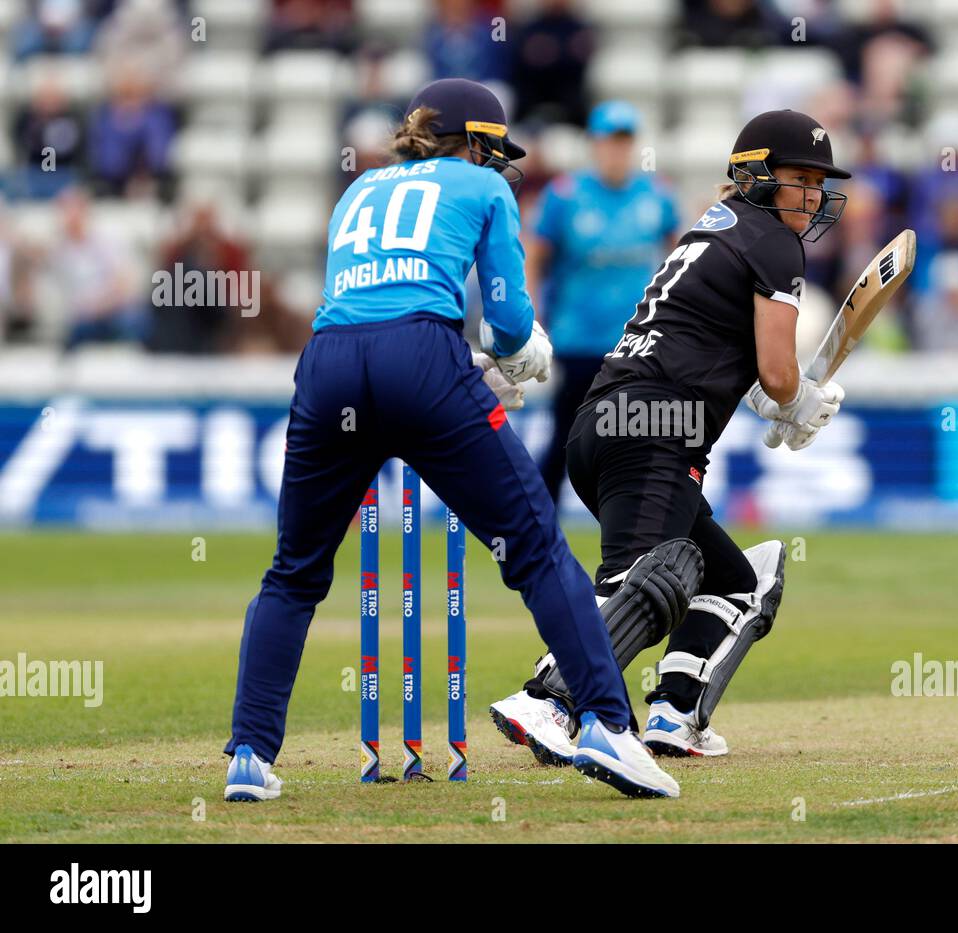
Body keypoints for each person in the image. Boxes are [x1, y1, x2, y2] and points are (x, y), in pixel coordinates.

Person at [223, 78, 682, 802]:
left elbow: (368, 300)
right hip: (422, 363)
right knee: (535, 545)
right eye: (492, 150)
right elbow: (503, 316)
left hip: (330, 362)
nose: (498, 165)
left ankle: (248, 755)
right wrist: (516, 348)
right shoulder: (481, 186)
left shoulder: (359, 190)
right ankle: (603, 723)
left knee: (294, 570)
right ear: (471, 141)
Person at [490, 110, 848, 761]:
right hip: (658, 432)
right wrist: (799, 400)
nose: (814, 195)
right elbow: (775, 367)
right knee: (638, 578)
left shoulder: (715, 229)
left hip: (602, 425)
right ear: (757, 176)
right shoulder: (772, 239)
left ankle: (674, 711)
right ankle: (548, 697)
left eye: (820, 181)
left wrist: (782, 403)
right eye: (800, 177)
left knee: (740, 579)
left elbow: (718, 352)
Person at [530, 101, 679, 502]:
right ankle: (543, 525)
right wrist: (532, 315)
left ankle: (637, 529)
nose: (617, 151)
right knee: (569, 435)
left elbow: (681, 257)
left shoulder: (655, 194)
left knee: (636, 437)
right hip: (579, 337)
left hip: (635, 341)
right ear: (594, 145)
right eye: (609, 142)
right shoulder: (565, 196)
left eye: (624, 142)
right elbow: (534, 255)